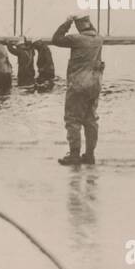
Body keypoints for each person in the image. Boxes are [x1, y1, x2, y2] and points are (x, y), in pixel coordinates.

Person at [52, 12, 104, 165]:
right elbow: (91, 30)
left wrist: (67, 22)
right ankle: (89, 155)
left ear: (79, 25)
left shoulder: (76, 39)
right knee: (91, 120)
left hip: (79, 85)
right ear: (89, 23)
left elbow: (56, 39)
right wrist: (84, 21)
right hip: (95, 84)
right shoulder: (99, 39)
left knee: (73, 119)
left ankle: (74, 154)